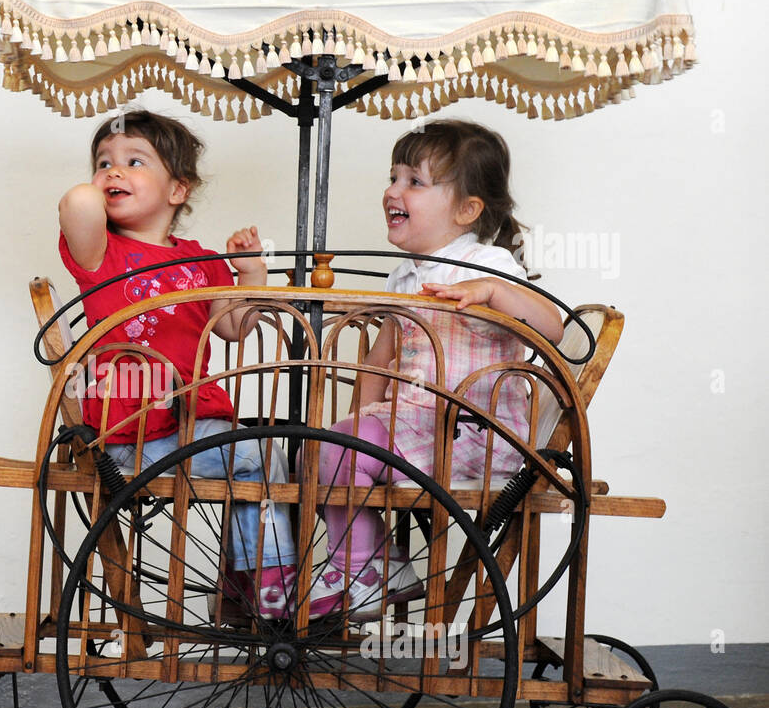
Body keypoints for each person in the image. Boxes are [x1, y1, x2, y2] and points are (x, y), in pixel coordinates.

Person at [312, 119, 564, 620]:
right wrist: (357, 425)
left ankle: (365, 567)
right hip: (419, 424)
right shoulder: (405, 274)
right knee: (324, 452)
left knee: (337, 451)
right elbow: (381, 356)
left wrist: (492, 293)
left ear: (467, 210)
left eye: (414, 181)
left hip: (474, 432)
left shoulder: (485, 262)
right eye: (394, 177)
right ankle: (378, 564)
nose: (393, 190)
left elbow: (552, 327)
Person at [57, 110, 297, 621]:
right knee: (257, 455)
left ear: (177, 190)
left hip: (189, 426)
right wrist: (105, 179)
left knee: (258, 454)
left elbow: (234, 327)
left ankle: (247, 585)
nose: (113, 173)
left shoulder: (201, 260)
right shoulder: (102, 253)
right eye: (103, 163)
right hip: (127, 439)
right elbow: (78, 203)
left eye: (134, 161)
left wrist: (251, 271)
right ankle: (264, 588)